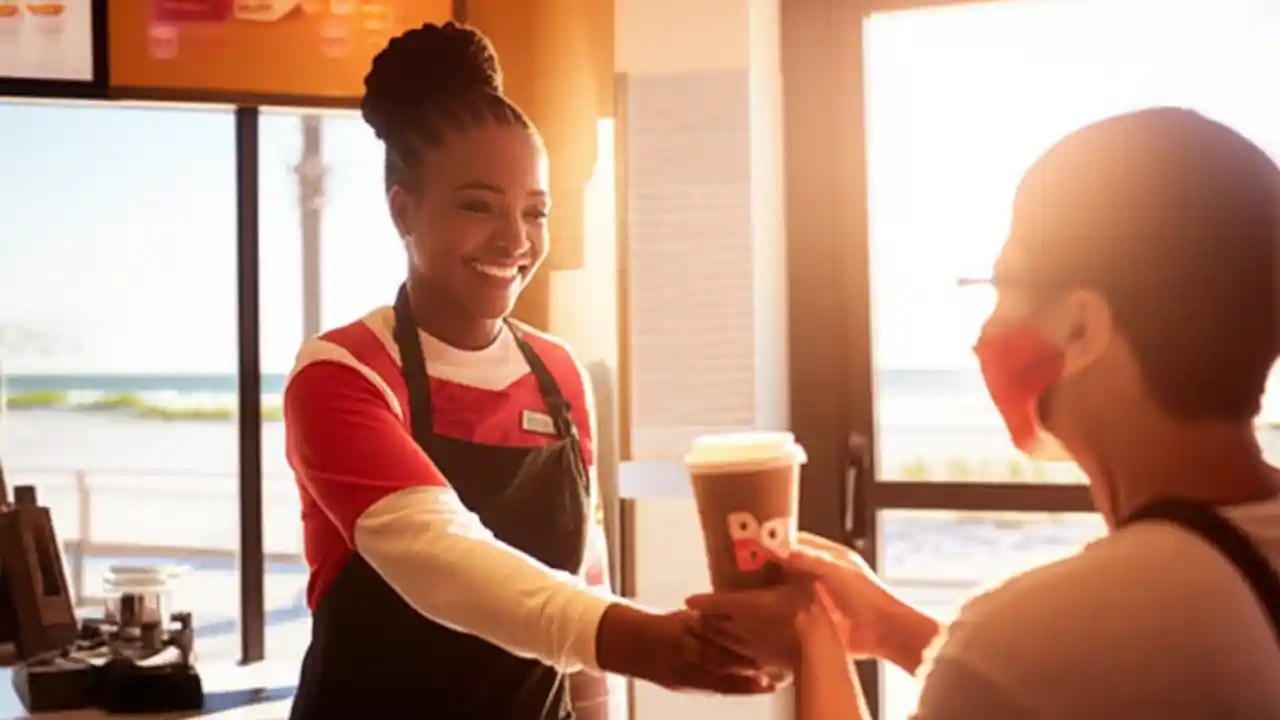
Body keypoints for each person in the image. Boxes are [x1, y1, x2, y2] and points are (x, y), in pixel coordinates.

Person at [689, 107, 1280, 718]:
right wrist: (893, 628)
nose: (985, 334)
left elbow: (1027, 673)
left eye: (1005, 286)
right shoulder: (1062, 642)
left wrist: (810, 640)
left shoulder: (1030, 637)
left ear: (1081, 327)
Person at [283, 22, 766, 719]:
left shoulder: (559, 371)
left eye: (535, 212)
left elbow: (585, 572)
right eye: (478, 206)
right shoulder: (342, 373)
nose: (514, 239)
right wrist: (639, 641)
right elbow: (439, 555)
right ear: (404, 211)